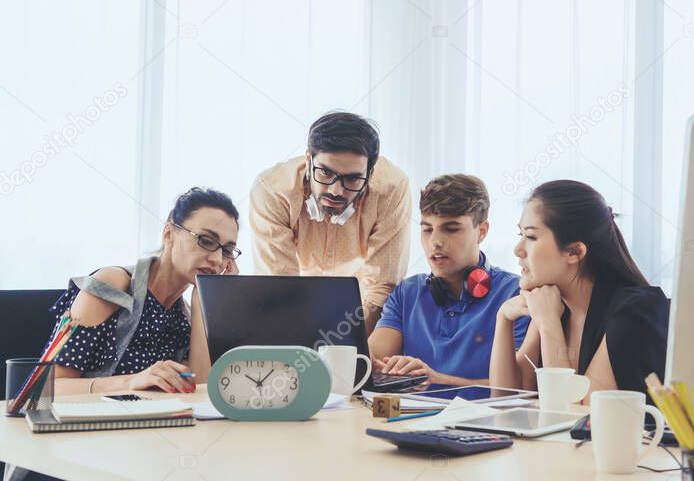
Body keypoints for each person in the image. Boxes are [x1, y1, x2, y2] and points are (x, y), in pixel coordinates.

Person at [47, 187, 241, 395]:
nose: (217, 259)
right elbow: (47, 387)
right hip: (92, 424)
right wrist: (131, 382)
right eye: (205, 241)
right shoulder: (112, 286)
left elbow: (199, 391)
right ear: (169, 234)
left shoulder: (185, 317)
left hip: (149, 425)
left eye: (227, 250)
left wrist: (205, 300)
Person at [489, 180, 669, 400]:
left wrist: (548, 325)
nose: (518, 250)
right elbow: (504, 397)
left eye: (531, 237)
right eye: (521, 236)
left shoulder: (636, 310)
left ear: (574, 252)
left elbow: (577, 417)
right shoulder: (553, 302)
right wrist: (503, 318)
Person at [249, 111, 411, 333]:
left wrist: (345, 347)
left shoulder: (391, 189)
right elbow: (279, 289)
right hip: (295, 303)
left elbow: (381, 290)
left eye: (352, 178)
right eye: (325, 173)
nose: (336, 191)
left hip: (361, 308)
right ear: (308, 160)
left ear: (370, 173)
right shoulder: (272, 191)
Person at [369, 175, 528, 385]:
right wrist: (370, 364)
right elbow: (373, 361)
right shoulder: (406, 293)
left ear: (482, 231)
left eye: (451, 229)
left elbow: (519, 387)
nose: (435, 242)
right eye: (427, 229)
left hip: (484, 418)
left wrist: (438, 380)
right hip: (412, 418)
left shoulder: (516, 295)